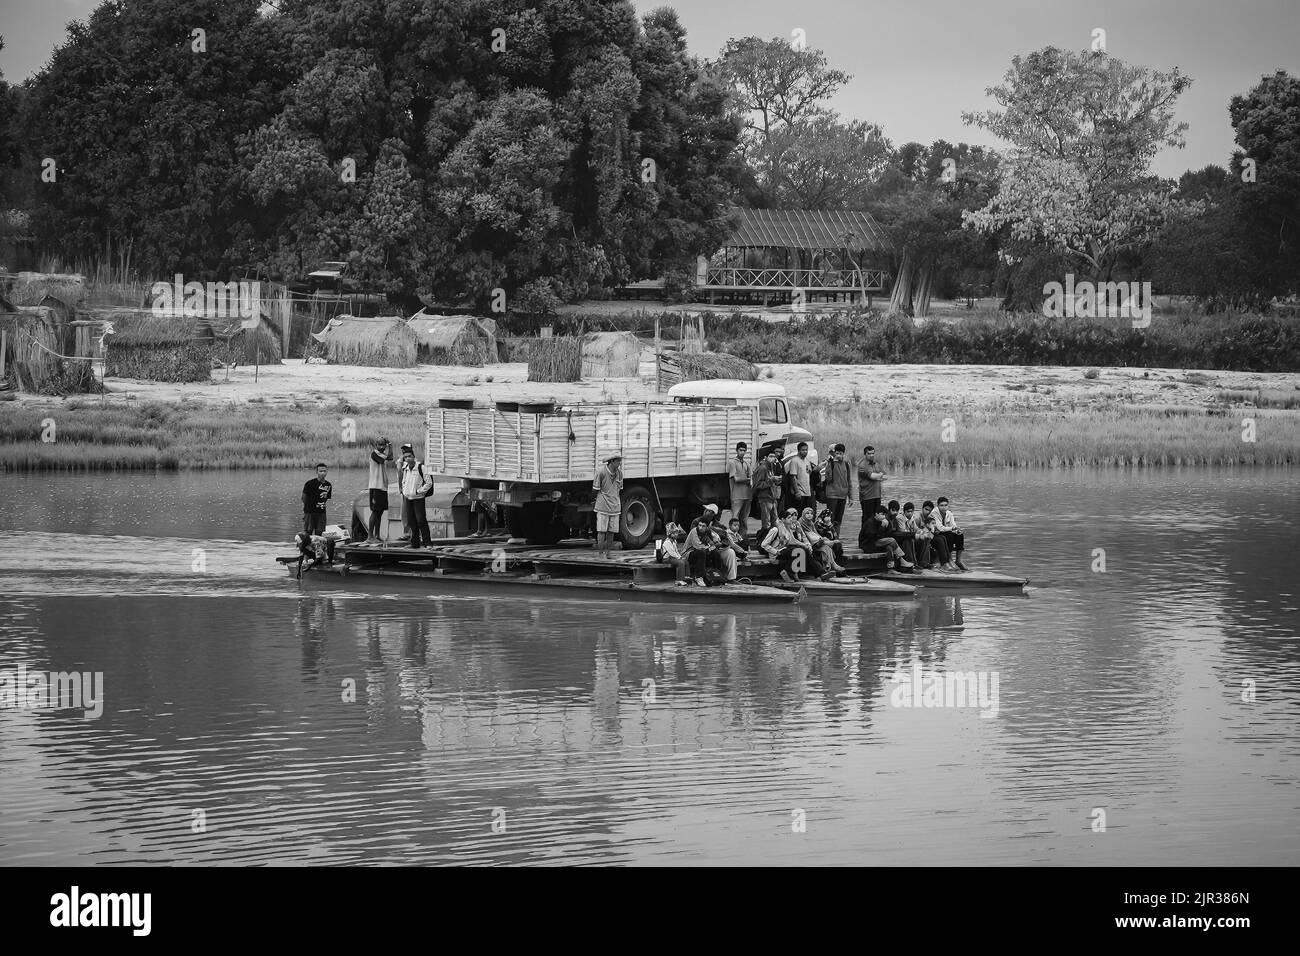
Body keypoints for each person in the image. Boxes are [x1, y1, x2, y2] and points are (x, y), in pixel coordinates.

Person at [762, 508, 829, 583]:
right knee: (799, 551)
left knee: (805, 550)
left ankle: (821, 573)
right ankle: (789, 572)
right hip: (777, 553)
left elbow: (793, 541)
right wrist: (775, 552)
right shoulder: (775, 529)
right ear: (782, 519)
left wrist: (805, 545)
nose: (791, 519)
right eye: (789, 518)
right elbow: (764, 544)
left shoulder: (788, 529)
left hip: (785, 549)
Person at [859, 505, 916, 572]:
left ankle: (890, 568)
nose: (883, 516)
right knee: (891, 540)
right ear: (876, 514)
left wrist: (883, 528)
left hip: (875, 543)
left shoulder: (880, 522)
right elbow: (872, 536)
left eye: (884, 515)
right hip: (868, 544)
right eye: (882, 514)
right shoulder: (870, 522)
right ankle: (901, 558)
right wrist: (881, 528)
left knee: (889, 547)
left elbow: (885, 534)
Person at [684, 515, 737, 585]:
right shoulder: (694, 531)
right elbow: (699, 547)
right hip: (689, 553)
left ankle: (719, 576)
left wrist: (714, 546)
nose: (700, 528)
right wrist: (711, 547)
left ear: (707, 527)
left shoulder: (708, 532)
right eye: (699, 525)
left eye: (703, 526)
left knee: (715, 553)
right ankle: (699, 577)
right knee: (701, 552)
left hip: (703, 551)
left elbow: (713, 546)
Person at [398, 446, 432, 549]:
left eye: (409, 456)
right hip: (408, 498)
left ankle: (428, 543)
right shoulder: (406, 469)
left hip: (418, 498)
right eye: (405, 457)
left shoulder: (421, 467)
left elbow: (429, 483)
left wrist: (418, 491)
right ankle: (415, 543)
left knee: (421, 520)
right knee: (411, 521)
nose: (408, 459)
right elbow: (404, 481)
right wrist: (405, 492)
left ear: (413, 456)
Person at [592, 454, 623, 559]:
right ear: (612, 462)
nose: (619, 463)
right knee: (601, 531)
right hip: (603, 505)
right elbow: (595, 489)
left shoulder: (620, 473)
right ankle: (601, 553)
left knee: (612, 531)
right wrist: (593, 500)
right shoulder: (601, 472)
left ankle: (608, 552)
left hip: (615, 506)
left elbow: (620, 489)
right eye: (618, 461)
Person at [799, 506, 846, 573]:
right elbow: (809, 536)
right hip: (810, 544)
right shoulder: (803, 523)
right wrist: (824, 540)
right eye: (807, 513)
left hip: (818, 542)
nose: (810, 515)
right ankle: (831, 566)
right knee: (830, 546)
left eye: (811, 514)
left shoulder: (811, 523)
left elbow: (817, 534)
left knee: (831, 547)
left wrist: (826, 537)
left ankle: (832, 565)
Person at [752, 449, 781, 552]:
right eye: (771, 456)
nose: (773, 458)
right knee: (766, 524)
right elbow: (757, 485)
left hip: (772, 499)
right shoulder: (762, 468)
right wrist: (771, 480)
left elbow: (770, 482)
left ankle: (772, 543)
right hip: (764, 499)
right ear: (765, 457)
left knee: (775, 524)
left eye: (774, 456)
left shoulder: (771, 467)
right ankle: (762, 544)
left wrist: (776, 480)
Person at [820, 443, 852, 536]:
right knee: (830, 519)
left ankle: (836, 537)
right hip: (832, 495)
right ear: (834, 453)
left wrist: (851, 497)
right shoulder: (831, 463)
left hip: (843, 496)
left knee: (838, 520)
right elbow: (828, 478)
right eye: (837, 453)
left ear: (843, 454)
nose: (839, 455)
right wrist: (829, 464)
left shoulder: (846, 464)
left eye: (841, 453)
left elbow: (849, 481)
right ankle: (830, 537)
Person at [366, 438, 393, 543]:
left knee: (380, 511)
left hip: (382, 487)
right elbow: (388, 457)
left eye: (383, 445)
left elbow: (390, 457)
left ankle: (377, 535)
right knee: (375, 511)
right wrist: (388, 446)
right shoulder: (374, 454)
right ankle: (370, 536)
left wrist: (390, 444)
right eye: (380, 445)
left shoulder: (382, 454)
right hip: (375, 487)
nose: (382, 447)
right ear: (376, 445)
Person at [934, 496, 968, 570]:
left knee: (959, 535)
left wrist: (957, 530)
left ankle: (958, 560)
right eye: (941, 505)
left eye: (946, 505)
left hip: (947, 532)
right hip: (937, 534)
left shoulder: (949, 513)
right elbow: (940, 528)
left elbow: (953, 525)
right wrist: (952, 528)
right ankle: (950, 559)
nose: (944, 507)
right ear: (938, 506)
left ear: (948, 506)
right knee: (949, 535)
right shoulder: (934, 514)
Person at [918, 500, 953, 570]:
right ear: (922, 508)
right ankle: (944, 563)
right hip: (922, 537)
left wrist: (935, 531)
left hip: (929, 535)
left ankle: (948, 560)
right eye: (926, 509)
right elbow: (917, 530)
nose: (927, 512)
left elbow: (933, 528)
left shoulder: (929, 517)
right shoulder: (918, 518)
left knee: (943, 537)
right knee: (939, 540)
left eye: (929, 510)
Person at [726, 442, 752, 532]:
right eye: (740, 450)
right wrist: (747, 480)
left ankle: (743, 539)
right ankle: (733, 538)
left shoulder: (746, 463)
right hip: (736, 495)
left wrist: (747, 479)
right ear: (736, 450)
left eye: (744, 450)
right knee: (735, 518)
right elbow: (736, 479)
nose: (742, 452)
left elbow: (751, 478)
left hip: (747, 495)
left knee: (744, 519)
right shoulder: (732, 462)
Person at [301, 463, 332, 536]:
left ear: (327, 472)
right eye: (320, 471)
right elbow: (303, 498)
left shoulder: (328, 485)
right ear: (316, 472)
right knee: (308, 533)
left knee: (319, 533)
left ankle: (317, 546)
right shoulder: (309, 484)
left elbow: (326, 498)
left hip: (321, 513)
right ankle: (306, 546)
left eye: (324, 471)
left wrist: (320, 505)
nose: (323, 473)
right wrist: (308, 508)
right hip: (310, 512)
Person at [785, 441, 815, 515]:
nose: (805, 452)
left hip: (807, 492)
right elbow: (793, 477)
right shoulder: (795, 460)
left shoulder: (807, 460)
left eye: (806, 450)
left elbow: (809, 473)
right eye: (803, 450)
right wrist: (797, 491)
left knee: (806, 514)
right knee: (797, 514)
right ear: (798, 450)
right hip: (800, 493)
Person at [857, 446, 886, 518]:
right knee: (867, 519)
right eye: (869, 454)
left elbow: (885, 476)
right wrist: (879, 475)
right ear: (865, 454)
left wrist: (879, 476)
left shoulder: (875, 464)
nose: (871, 455)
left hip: (877, 495)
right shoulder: (862, 465)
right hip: (867, 496)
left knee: (877, 519)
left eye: (873, 453)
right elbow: (872, 476)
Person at [887, 499, 918, 566]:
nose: (895, 512)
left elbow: (896, 532)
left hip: (894, 539)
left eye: (897, 511)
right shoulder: (887, 519)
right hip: (889, 540)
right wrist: (913, 534)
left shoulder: (894, 519)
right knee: (907, 539)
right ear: (889, 510)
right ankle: (909, 563)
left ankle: (913, 564)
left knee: (908, 539)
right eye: (893, 510)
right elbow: (900, 531)